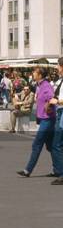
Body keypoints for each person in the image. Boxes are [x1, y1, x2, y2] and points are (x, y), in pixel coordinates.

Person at [17, 67, 55, 177]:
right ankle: (57, 169)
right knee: (51, 146)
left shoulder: (46, 85)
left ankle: (28, 170)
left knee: (37, 144)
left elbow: (52, 98)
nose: (33, 73)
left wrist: (48, 105)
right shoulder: (39, 86)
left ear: (40, 75)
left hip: (47, 119)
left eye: (35, 72)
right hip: (44, 119)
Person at [49, 56, 63, 185]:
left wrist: (57, 101)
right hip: (59, 113)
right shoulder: (60, 81)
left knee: (56, 145)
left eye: (58, 66)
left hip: (62, 114)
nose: (57, 69)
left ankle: (61, 174)